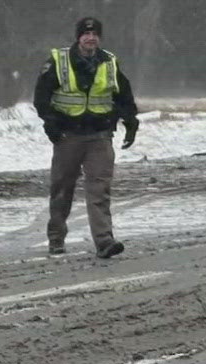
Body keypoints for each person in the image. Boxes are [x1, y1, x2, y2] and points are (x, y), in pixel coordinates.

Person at [33, 16, 139, 258]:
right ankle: (56, 238)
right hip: (68, 136)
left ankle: (104, 241)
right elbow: (41, 97)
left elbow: (124, 96)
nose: (91, 38)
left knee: (99, 189)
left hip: (100, 136)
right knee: (62, 189)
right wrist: (50, 124)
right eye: (86, 34)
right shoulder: (59, 62)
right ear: (78, 37)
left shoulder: (109, 62)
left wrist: (131, 121)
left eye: (95, 34)